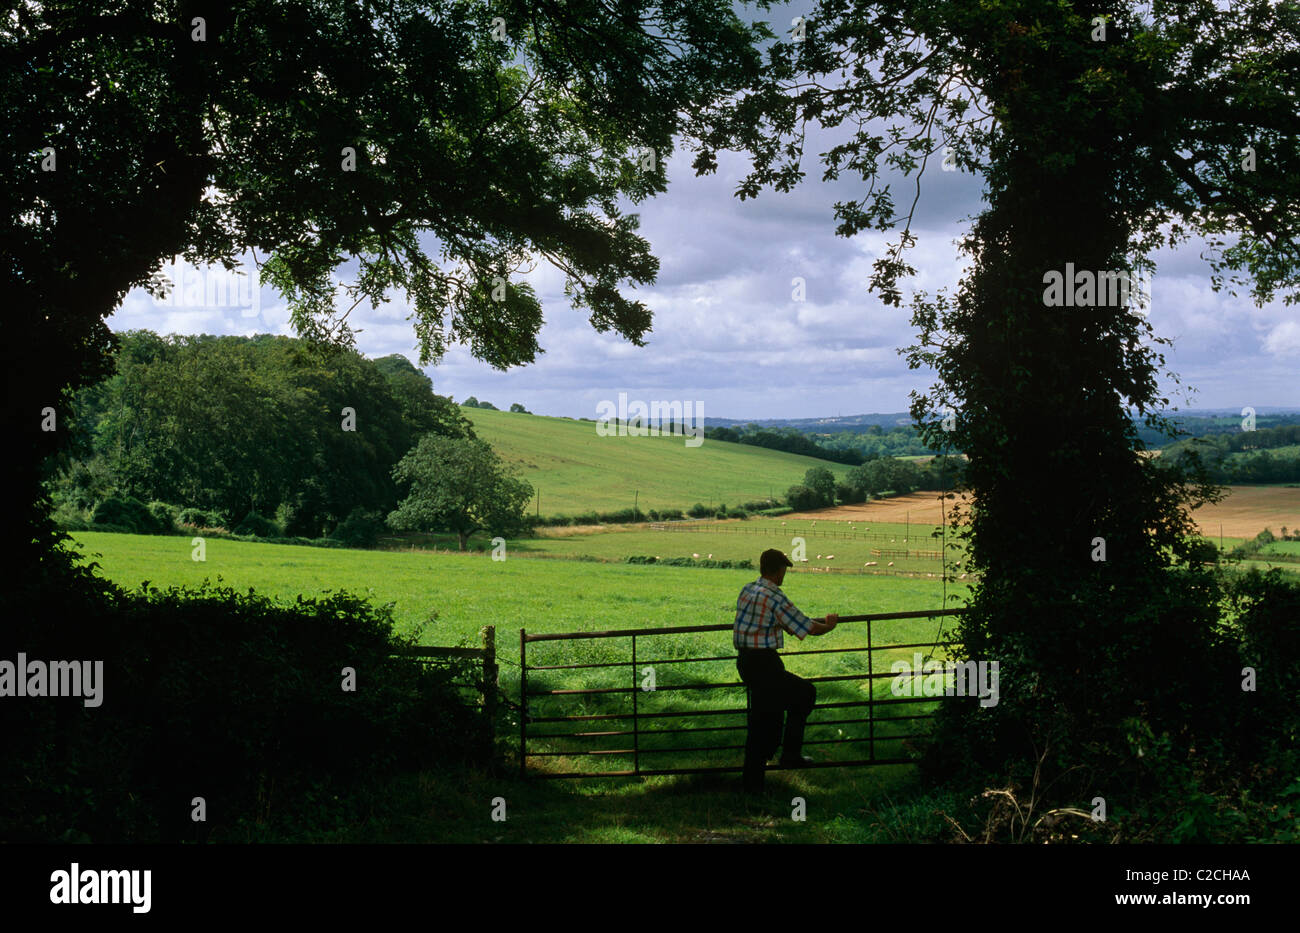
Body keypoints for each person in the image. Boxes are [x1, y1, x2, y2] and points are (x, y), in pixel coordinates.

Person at [734, 548, 839, 794]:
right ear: (779, 571)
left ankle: (755, 780)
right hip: (765, 663)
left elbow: (776, 622)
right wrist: (829, 625)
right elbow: (808, 628)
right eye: (784, 571)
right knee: (803, 695)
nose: (784, 576)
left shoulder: (747, 589)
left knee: (764, 716)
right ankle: (788, 757)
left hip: (746, 662)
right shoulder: (774, 597)